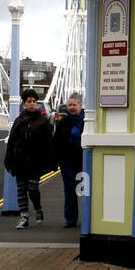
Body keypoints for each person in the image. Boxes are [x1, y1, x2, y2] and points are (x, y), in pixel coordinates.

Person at [4, 88, 55, 229]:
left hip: (35, 162)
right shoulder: (19, 121)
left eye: (34, 101)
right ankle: (24, 217)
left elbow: (49, 142)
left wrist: (51, 161)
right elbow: (12, 141)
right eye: (29, 101)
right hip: (19, 161)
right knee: (21, 189)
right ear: (24, 103)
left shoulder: (42, 121)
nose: (32, 104)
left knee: (32, 188)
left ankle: (38, 209)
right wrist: (8, 159)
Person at [53, 91, 84, 228]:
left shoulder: (87, 120)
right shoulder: (63, 122)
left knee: (85, 190)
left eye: (74, 104)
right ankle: (71, 219)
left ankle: (89, 219)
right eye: (69, 105)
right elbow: (56, 142)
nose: (71, 107)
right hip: (67, 162)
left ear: (80, 105)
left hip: (84, 161)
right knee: (70, 190)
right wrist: (56, 161)